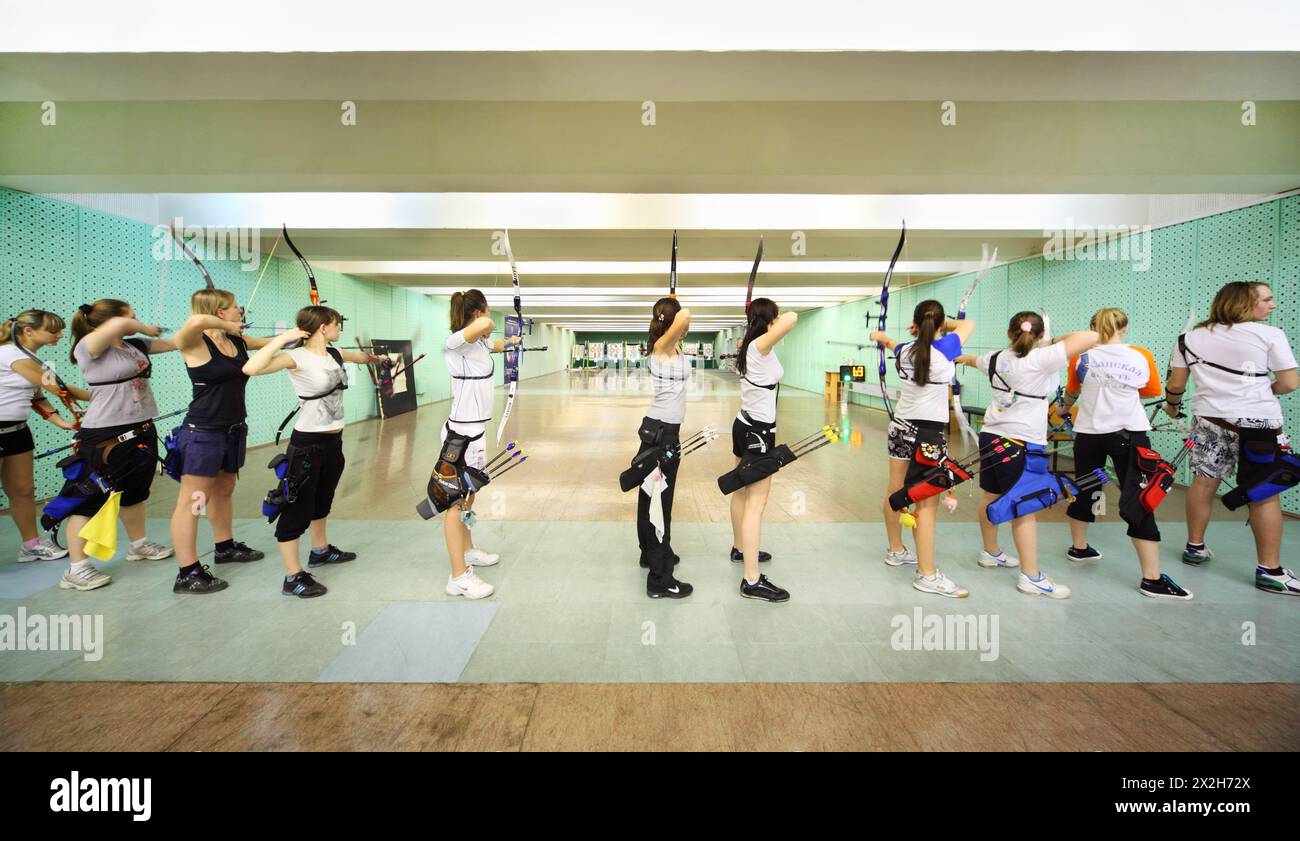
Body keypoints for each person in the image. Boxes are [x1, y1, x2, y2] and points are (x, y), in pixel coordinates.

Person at [1163, 281, 1298, 595]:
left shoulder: (1189, 338)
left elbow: (1177, 383)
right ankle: (1270, 571)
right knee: (1264, 492)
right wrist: (1264, 390)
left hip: (1209, 420)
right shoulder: (1269, 335)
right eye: (1266, 299)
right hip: (1259, 425)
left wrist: (1171, 407)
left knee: (1203, 481)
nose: (1272, 305)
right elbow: (1290, 382)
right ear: (1245, 303)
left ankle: (1194, 547)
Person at [956, 312, 1099, 600]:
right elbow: (1092, 336)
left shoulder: (996, 358)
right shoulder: (1042, 358)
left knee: (991, 495)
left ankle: (991, 552)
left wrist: (958, 358)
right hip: (1019, 442)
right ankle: (1031, 576)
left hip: (992, 435)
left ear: (1010, 334)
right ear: (1038, 334)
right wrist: (1049, 342)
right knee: (1025, 506)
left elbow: (972, 360)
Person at [242, 306, 375, 598]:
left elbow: (358, 356)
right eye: (337, 323)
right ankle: (292, 576)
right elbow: (251, 368)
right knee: (296, 508)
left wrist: (376, 358)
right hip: (307, 445)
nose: (340, 327)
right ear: (324, 327)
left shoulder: (334, 354)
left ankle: (321, 550)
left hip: (334, 442)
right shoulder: (295, 357)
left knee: (322, 501)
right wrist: (283, 338)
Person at [1059, 307, 1192, 600]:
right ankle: (1152, 580)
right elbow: (1150, 389)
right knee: (1141, 497)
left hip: (1088, 436)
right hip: (1128, 434)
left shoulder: (1082, 357)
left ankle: (1079, 548)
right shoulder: (1140, 355)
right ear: (1125, 327)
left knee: (1087, 489)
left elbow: (1072, 391)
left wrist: (1063, 408)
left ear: (1092, 327)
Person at [57, 299, 179, 592]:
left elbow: (176, 342)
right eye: (130, 314)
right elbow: (119, 325)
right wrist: (143, 326)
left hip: (141, 427)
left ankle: (138, 544)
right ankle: (77, 568)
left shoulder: (134, 345)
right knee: (90, 497)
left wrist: (209, 324)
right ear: (111, 319)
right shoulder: (89, 346)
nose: (135, 317)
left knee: (135, 492)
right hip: (104, 434)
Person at [167, 287, 276, 594]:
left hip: (233, 429)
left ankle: (224, 547)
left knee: (225, 489)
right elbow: (192, 324)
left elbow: (267, 343)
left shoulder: (236, 341)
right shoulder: (193, 341)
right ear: (219, 312)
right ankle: (187, 572)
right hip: (202, 432)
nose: (240, 311)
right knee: (193, 502)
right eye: (235, 308)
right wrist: (226, 326)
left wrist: (299, 335)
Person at [869, 299, 975, 598]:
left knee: (895, 487)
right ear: (940, 324)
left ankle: (896, 549)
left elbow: (890, 342)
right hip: (927, 435)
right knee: (926, 503)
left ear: (915, 324)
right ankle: (927, 575)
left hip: (900, 427)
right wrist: (941, 325)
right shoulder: (949, 347)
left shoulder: (904, 350)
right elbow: (969, 325)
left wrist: (880, 336)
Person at [439, 290, 513, 599]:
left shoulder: (478, 344)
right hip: (460, 437)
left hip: (476, 432)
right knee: (454, 506)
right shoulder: (457, 341)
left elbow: (489, 344)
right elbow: (470, 334)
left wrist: (508, 343)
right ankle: (458, 576)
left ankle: (467, 550)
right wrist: (485, 323)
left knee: (469, 496)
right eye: (486, 311)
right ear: (479, 311)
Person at [0, 310, 89, 563]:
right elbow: (57, 387)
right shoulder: (9, 354)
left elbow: (37, 395)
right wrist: (99, 395)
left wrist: (61, 422)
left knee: (23, 490)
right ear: (28, 331)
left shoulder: (29, 357)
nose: (60, 335)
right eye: (54, 331)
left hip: (17, 432)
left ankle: (31, 546)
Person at [730, 298, 797, 602]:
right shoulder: (758, 346)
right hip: (758, 432)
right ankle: (752, 579)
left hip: (743, 424)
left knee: (741, 493)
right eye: (775, 315)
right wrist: (775, 318)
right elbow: (792, 318)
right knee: (756, 503)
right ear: (768, 320)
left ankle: (740, 547)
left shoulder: (751, 346)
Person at [634, 295, 694, 598]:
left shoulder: (668, 348)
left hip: (656, 431)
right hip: (663, 436)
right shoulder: (661, 349)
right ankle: (661, 579)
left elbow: (681, 322)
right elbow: (685, 318)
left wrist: (669, 308)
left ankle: (651, 553)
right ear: (671, 324)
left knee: (648, 496)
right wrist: (675, 306)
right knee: (661, 503)